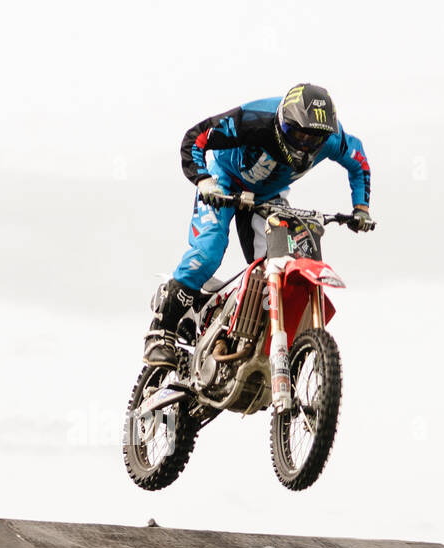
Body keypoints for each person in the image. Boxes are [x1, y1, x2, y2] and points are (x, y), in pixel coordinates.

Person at [144, 83, 373, 367]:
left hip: (268, 196)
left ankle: (254, 338)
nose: (304, 143)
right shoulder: (253, 119)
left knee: (281, 263)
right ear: (282, 123)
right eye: (297, 133)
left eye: (313, 139)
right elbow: (196, 136)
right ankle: (161, 331)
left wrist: (361, 208)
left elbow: (358, 158)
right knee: (208, 252)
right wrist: (203, 179)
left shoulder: (332, 139)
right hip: (224, 183)